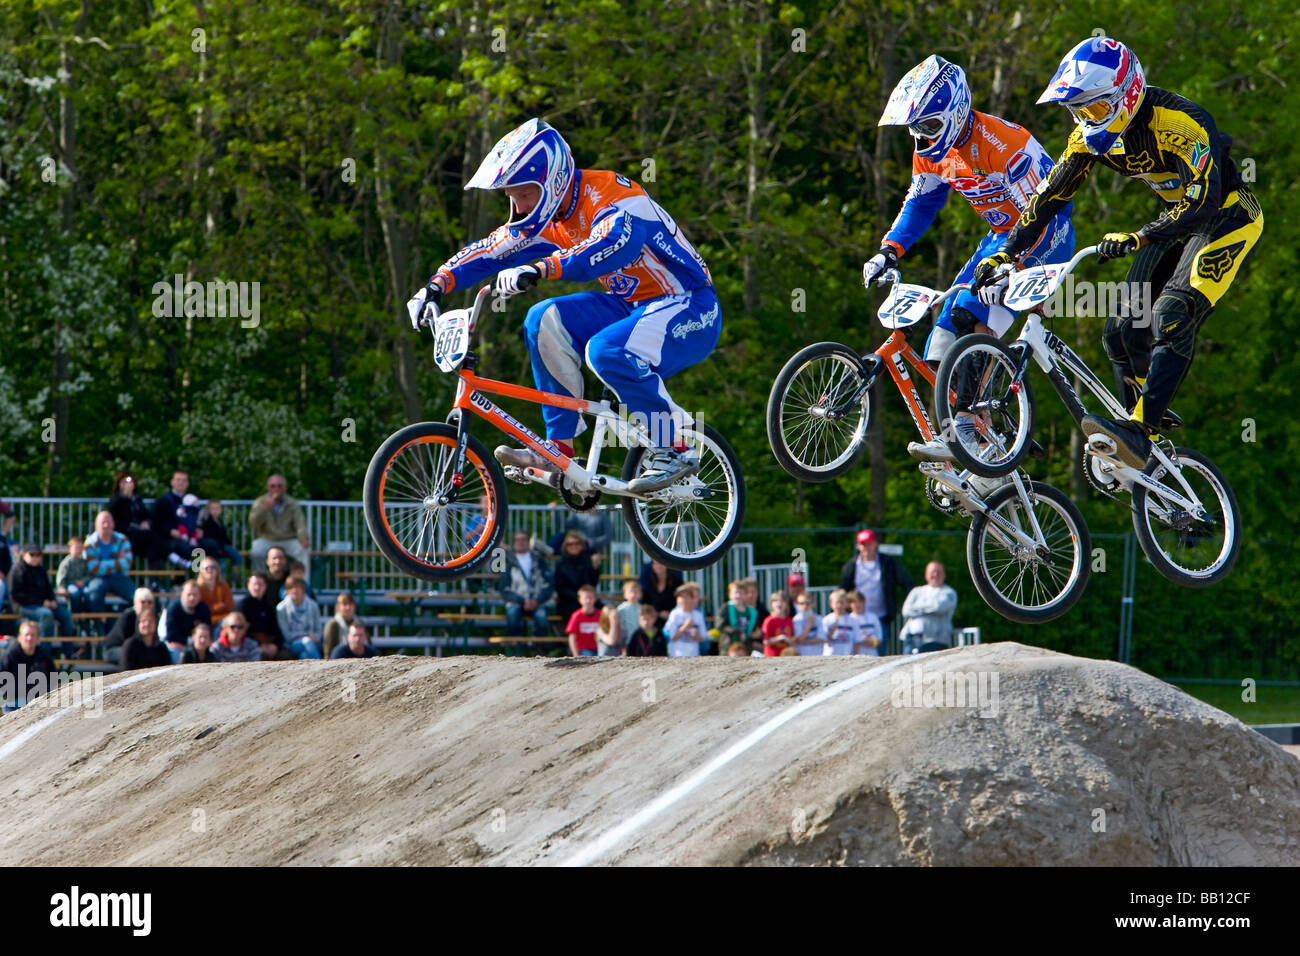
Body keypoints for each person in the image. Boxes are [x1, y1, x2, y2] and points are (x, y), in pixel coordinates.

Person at [971, 36, 1263, 469]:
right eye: (1078, 111)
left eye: (1095, 109)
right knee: (1120, 330)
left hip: (1227, 215)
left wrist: (1141, 236)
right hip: (1172, 219)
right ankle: (1137, 427)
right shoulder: (1086, 139)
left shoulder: (1180, 122)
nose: (1087, 120)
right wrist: (1007, 252)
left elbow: (1202, 202)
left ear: (1125, 95)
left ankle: (1139, 431)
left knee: (1172, 313)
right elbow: (1048, 197)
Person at [409, 118, 721, 493]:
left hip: (689, 304)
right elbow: (491, 251)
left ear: (553, 182)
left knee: (606, 349)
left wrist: (541, 267)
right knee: (543, 319)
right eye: (511, 196)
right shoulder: (551, 217)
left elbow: (611, 247)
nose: (518, 206)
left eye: (524, 194)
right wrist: (436, 284)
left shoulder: (610, 194)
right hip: (629, 306)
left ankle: (674, 445)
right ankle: (558, 450)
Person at [871, 55, 1075, 471]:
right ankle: (983, 430)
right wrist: (889, 249)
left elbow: (1045, 212)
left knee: (978, 314)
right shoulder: (931, 154)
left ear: (954, 111)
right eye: (914, 128)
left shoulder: (1003, 145)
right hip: (1000, 238)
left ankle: (966, 423)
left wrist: (1011, 266)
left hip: (1044, 231)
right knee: (944, 337)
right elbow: (921, 202)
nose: (920, 137)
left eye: (927, 125)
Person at [838, 529, 912, 650]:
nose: (866, 547)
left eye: (869, 543)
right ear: (858, 546)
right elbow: (843, 589)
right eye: (863, 544)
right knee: (854, 653)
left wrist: (909, 604)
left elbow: (906, 582)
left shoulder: (887, 562)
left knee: (878, 653)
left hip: (880, 618)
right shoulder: (851, 566)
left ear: (875, 544)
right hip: (856, 619)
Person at [7, 543, 75, 641]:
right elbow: (16, 596)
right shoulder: (17, 570)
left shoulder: (41, 570)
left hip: (42, 605)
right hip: (23, 606)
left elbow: (49, 589)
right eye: (32, 554)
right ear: (24, 555)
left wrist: (52, 600)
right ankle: (44, 651)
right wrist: (41, 602)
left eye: (38, 555)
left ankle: (68, 652)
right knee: (46, 615)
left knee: (66, 615)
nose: (35, 557)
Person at [249, 475, 311, 575]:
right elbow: (253, 523)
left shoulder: (292, 503)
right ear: (268, 487)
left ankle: (302, 584)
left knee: (303, 550)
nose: (276, 489)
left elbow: (300, 523)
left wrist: (303, 538)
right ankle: (260, 582)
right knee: (256, 551)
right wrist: (264, 509)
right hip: (267, 538)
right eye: (273, 486)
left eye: (279, 486)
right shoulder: (260, 502)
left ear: (284, 487)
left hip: (288, 539)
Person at [499, 531, 555, 637]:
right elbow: (504, 589)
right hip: (516, 602)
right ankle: (515, 650)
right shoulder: (508, 562)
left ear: (529, 542)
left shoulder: (539, 560)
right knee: (512, 614)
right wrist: (523, 601)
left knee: (541, 617)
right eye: (518, 539)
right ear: (514, 543)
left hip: (538, 602)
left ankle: (539, 650)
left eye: (524, 539)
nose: (521, 542)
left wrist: (537, 600)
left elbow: (549, 584)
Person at [900, 561, 959, 653]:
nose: (935, 575)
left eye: (939, 572)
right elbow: (906, 611)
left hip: (935, 641)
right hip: (910, 638)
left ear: (944, 575)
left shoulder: (949, 593)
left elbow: (938, 607)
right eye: (932, 572)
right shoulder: (916, 591)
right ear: (926, 575)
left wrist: (916, 608)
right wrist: (929, 608)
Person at [84, 511, 134, 614]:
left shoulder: (122, 539)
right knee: (94, 593)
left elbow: (127, 563)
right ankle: (98, 627)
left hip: (119, 577)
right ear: (96, 525)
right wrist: (116, 562)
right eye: (103, 522)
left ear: (113, 524)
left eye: (108, 522)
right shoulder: (90, 543)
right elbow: (94, 568)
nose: (106, 525)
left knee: (138, 596)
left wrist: (102, 564)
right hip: (97, 579)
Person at [151, 470, 199, 569]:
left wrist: (199, 529)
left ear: (188, 483)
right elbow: (156, 522)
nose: (181, 483)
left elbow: (197, 519)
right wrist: (170, 531)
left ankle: (198, 575)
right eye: (178, 480)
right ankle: (180, 580)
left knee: (207, 547)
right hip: (169, 538)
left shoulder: (192, 501)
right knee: (184, 548)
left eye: (184, 480)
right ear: (172, 482)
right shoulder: (163, 501)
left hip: (190, 536)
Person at [1, 620, 55, 709]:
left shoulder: (44, 655)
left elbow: (53, 679)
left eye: (33, 635)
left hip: (40, 699)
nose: (29, 638)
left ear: (38, 638)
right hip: (15, 700)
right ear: (19, 637)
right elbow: (3, 683)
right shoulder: (10, 655)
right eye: (26, 635)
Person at [237, 572, 288, 660]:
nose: (257, 587)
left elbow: (277, 631)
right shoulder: (242, 606)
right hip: (249, 646)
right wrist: (259, 645)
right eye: (254, 584)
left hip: (269, 644)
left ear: (265, 586)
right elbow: (240, 632)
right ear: (248, 586)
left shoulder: (269, 606)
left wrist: (275, 645)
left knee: (287, 656)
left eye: (260, 584)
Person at [554, 531, 600, 624]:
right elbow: (560, 588)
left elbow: (593, 583)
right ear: (565, 546)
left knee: (606, 611)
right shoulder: (561, 563)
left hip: (587, 599)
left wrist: (595, 568)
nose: (573, 546)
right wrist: (580, 597)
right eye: (569, 544)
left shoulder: (586, 560)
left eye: (577, 543)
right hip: (568, 601)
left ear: (582, 545)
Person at [107, 471, 153, 563]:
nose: (127, 484)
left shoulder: (137, 499)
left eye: (129, 481)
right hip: (124, 534)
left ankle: (157, 575)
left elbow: (146, 514)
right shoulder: (116, 499)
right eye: (124, 482)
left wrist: (146, 521)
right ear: (119, 484)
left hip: (139, 533)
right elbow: (112, 512)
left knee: (155, 541)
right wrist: (125, 496)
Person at [105, 587, 156, 667]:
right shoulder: (127, 616)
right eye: (142, 602)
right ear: (135, 603)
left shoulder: (153, 618)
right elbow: (127, 641)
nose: (146, 605)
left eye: (149, 602)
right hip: (115, 649)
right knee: (134, 652)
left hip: (136, 648)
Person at [163, 579, 211, 663]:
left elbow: (208, 631)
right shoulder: (173, 609)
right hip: (178, 648)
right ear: (182, 594)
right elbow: (172, 637)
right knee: (175, 653)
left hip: (199, 646)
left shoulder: (204, 608)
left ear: (199, 596)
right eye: (189, 594)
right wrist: (190, 644)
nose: (192, 598)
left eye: (195, 595)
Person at [278, 577, 323, 659]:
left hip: (312, 643)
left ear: (303, 589)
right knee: (307, 641)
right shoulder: (281, 608)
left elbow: (318, 630)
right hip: (291, 645)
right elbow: (287, 635)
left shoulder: (313, 606)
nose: (295, 590)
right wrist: (306, 636)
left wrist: (315, 637)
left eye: (298, 587)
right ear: (287, 591)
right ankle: (321, 667)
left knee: (304, 656)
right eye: (291, 587)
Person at [716, 579, 761, 656]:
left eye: (741, 593)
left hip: (745, 648)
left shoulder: (751, 612)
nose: (738, 595)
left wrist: (759, 633)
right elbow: (720, 625)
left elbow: (755, 629)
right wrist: (738, 633)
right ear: (730, 594)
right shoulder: (726, 608)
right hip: (728, 647)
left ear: (745, 595)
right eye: (736, 592)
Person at [664, 582, 707, 658]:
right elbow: (670, 636)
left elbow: (703, 638)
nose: (685, 600)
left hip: (694, 655)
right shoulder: (674, 614)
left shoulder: (698, 614)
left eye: (687, 597)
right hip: (676, 655)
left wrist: (696, 635)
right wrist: (685, 626)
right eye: (682, 597)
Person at [199, 498, 242, 569]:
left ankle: (235, 572)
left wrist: (231, 544)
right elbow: (211, 539)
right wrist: (219, 549)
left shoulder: (220, 522)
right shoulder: (208, 524)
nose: (215, 511)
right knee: (221, 565)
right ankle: (221, 578)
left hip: (223, 546)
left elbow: (224, 536)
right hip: (216, 549)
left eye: (217, 508)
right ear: (209, 510)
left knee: (235, 554)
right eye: (213, 509)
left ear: (221, 510)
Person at [55, 536, 93, 616]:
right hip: (70, 584)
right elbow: (61, 577)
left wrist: (83, 581)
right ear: (69, 549)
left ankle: (87, 615)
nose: (78, 550)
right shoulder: (66, 562)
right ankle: (74, 614)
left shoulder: (84, 562)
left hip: (82, 585)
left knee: (88, 593)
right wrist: (62, 588)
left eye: (80, 548)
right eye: (76, 548)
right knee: (74, 593)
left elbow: (88, 575)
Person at [639, 560, 682, 624]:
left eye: (661, 563)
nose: (659, 566)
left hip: (673, 621)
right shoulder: (648, 584)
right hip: (653, 621)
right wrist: (655, 613)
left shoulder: (676, 583)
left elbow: (681, 602)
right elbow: (644, 603)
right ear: (652, 566)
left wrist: (670, 613)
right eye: (656, 564)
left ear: (667, 565)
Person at [565, 583, 601, 657]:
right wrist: (575, 654)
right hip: (583, 650)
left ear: (595, 598)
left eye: (590, 598)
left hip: (599, 648)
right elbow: (572, 637)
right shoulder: (576, 616)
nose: (588, 601)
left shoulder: (600, 614)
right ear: (580, 600)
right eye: (585, 598)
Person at [821, 590, 860, 657]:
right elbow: (822, 640)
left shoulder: (853, 620)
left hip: (847, 656)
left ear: (846, 604)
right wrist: (831, 632)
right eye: (837, 603)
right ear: (831, 604)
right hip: (830, 656)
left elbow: (857, 641)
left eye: (842, 602)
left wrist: (854, 655)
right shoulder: (827, 620)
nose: (839, 605)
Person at [322, 591, 359, 660]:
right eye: (344, 604)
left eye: (350, 604)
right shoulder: (332, 625)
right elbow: (328, 654)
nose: (348, 607)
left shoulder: (359, 623)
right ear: (338, 607)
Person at [847, 589, 884, 656]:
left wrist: (872, 642)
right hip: (854, 654)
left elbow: (879, 638)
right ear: (849, 604)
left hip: (872, 654)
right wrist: (861, 639)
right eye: (854, 602)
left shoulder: (873, 617)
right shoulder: (848, 619)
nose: (858, 604)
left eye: (860, 601)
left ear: (864, 602)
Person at [791, 591, 827, 656]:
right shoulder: (796, 620)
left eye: (807, 603)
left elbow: (821, 639)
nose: (805, 606)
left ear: (813, 604)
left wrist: (804, 641)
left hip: (818, 655)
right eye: (801, 603)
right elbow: (799, 640)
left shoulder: (819, 619)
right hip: (801, 656)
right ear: (797, 605)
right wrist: (810, 624)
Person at [761, 591, 795, 657]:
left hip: (787, 656)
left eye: (782, 601)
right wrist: (780, 638)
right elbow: (765, 641)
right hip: (771, 657)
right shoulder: (769, 621)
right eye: (776, 601)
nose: (779, 603)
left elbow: (793, 640)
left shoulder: (790, 621)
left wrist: (789, 641)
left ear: (787, 604)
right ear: (771, 604)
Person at [615, 579, 643, 649]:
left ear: (640, 594)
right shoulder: (621, 609)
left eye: (636, 592)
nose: (633, 595)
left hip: (639, 641)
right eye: (631, 592)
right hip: (626, 641)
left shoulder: (642, 608)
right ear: (625, 594)